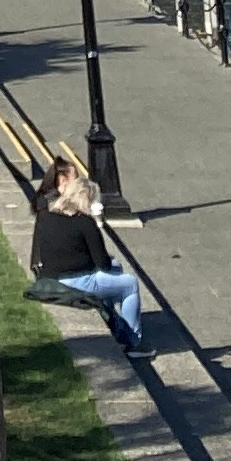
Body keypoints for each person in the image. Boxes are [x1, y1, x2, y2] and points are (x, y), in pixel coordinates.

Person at [26, 147, 144, 349]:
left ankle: (115, 322)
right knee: (130, 283)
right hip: (75, 280)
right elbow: (101, 262)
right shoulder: (84, 222)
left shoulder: (45, 214)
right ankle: (133, 341)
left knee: (116, 269)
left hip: (50, 274)